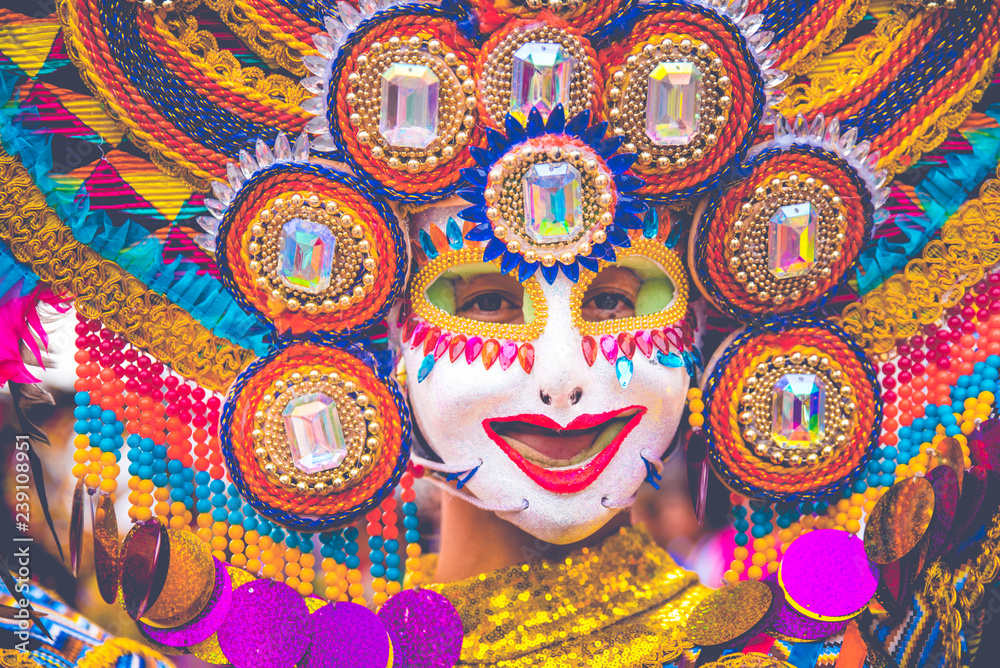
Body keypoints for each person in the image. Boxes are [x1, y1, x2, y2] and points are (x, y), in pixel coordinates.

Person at [0, 0, 999, 665]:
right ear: (361, 338)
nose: (564, 376)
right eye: (481, 300)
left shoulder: (859, 632)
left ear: (710, 332)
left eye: (616, 298)